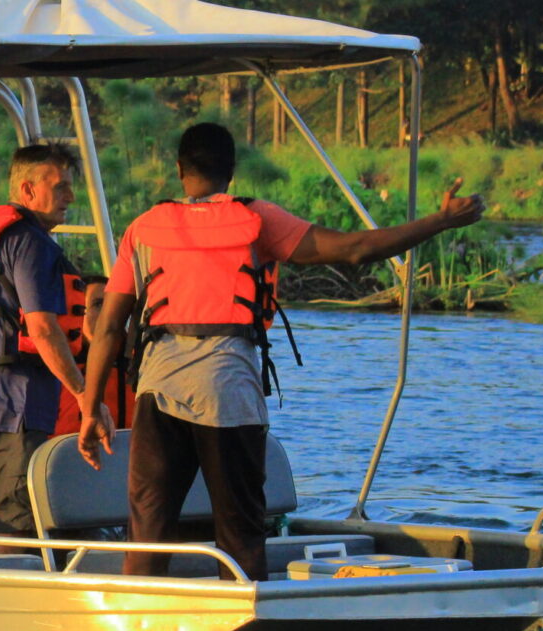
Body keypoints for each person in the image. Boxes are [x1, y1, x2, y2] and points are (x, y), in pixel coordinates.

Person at [78, 122, 486, 580]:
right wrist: (440, 221)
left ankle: (139, 624)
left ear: (179, 170)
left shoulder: (143, 229)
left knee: (148, 532)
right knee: (240, 531)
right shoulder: (258, 220)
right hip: (228, 391)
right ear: (232, 173)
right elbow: (354, 250)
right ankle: (245, 619)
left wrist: (91, 406)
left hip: (158, 393)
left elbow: (111, 324)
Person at [0, 144, 104, 542]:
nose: (71, 196)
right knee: (15, 522)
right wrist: (85, 396)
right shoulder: (31, 243)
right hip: (13, 407)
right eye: (61, 186)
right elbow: (43, 329)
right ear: (28, 191)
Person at [52, 274, 129, 437]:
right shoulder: (59, 369)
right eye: (99, 304)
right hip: (72, 457)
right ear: (78, 314)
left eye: (114, 302)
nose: (110, 310)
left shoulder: (144, 364)